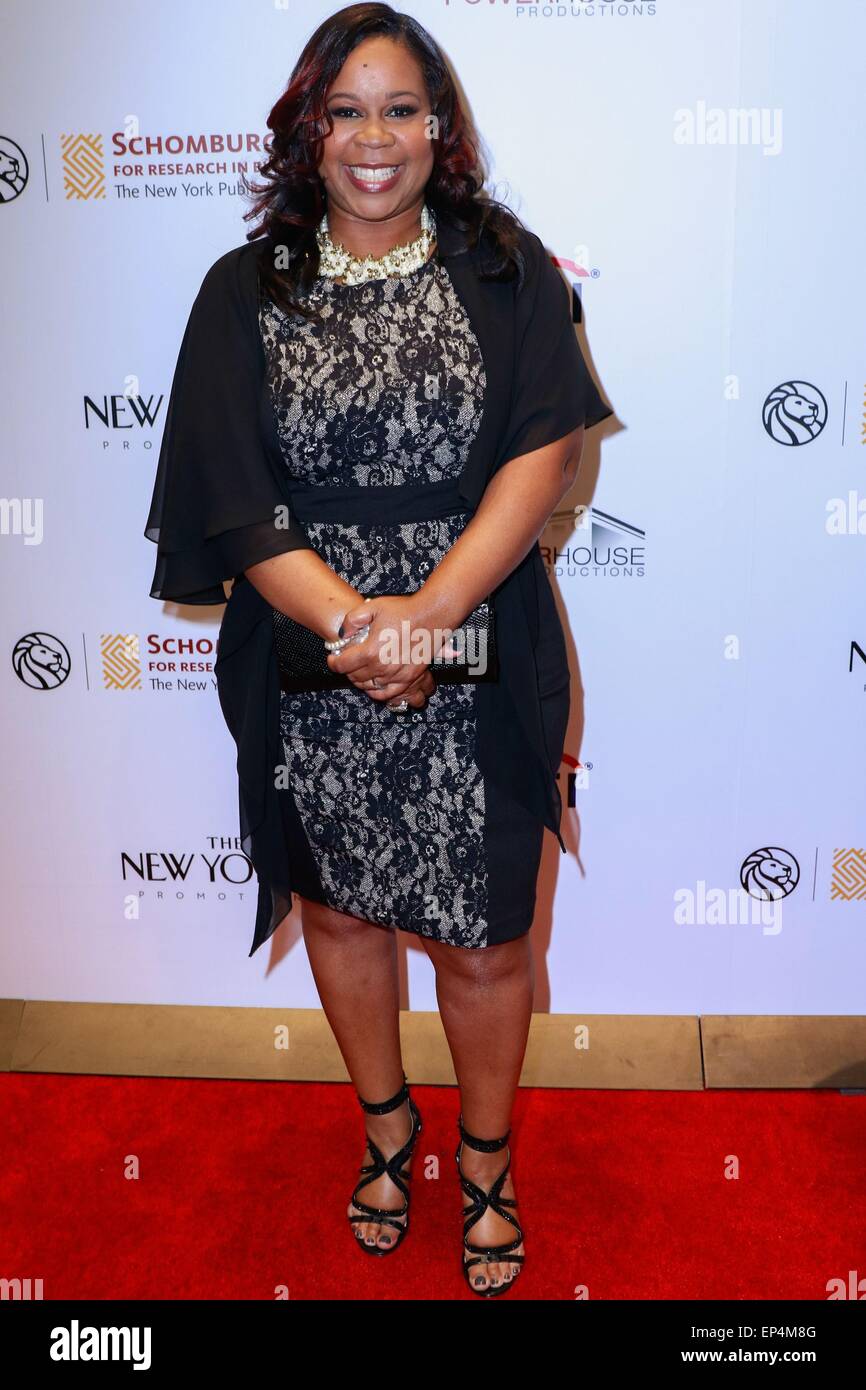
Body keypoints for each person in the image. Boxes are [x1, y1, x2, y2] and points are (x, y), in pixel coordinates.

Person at [145, 3, 612, 1298]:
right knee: (340, 912)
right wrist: (361, 625)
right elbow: (228, 498)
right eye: (343, 109)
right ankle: (385, 1132)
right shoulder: (244, 288)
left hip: (479, 648)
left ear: (438, 126)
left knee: (483, 940)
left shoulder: (505, 265)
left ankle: (484, 1161)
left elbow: (541, 451)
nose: (372, 137)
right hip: (308, 660)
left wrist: (431, 617)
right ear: (307, 128)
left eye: (400, 108)